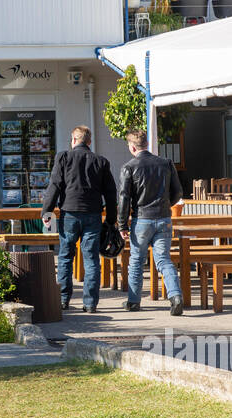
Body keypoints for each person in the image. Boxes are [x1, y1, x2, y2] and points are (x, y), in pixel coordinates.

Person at [41, 125, 118, 314]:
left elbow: (55, 186)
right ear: (89, 142)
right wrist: (111, 219)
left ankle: (63, 300)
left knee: (66, 257)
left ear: (73, 140)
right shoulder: (101, 161)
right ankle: (90, 303)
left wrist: (47, 212)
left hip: (69, 214)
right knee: (91, 259)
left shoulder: (63, 157)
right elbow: (110, 193)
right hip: (93, 214)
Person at [117, 129, 185, 316]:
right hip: (163, 217)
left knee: (137, 261)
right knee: (163, 260)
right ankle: (175, 296)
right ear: (146, 144)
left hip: (141, 219)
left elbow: (123, 198)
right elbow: (178, 192)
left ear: (132, 147)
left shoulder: (129, 167)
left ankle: (133, 301)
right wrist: (165, 205)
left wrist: (122, 225)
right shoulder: (166, 163)